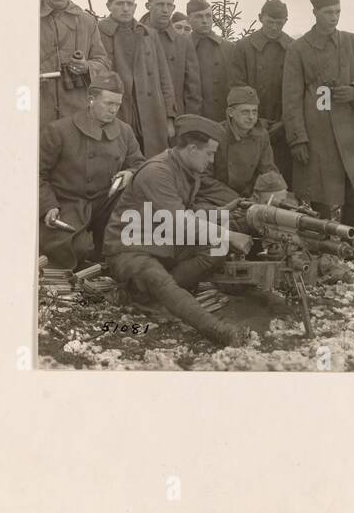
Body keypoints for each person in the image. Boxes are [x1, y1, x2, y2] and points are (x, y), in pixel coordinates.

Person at [103, 115, 252, 345]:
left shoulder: (186, 168)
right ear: (192, 149)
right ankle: (218, 331)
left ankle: (146, 297)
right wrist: (229, 234)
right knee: (159, 280)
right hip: (130, 249)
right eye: (209, 153)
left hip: (162, 241)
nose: (211, 160)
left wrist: (222, 213)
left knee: (217, 247)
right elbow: (180, 221)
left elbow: (183, 213)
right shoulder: (158, 171)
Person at [281, 0, 354, 275]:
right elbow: (291, 98)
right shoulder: (299, 49)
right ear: (315, 13)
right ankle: (326, 255)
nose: (334, 18)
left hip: (353, 132)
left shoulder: (352, 42)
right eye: (328, 12)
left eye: (337, 12)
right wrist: (298, 138)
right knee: (322, 194)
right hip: (318, 134)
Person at [39, 72, 143, 269]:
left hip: (106, 202)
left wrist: (130, 173)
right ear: (91, 100)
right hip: (69, 203)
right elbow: (37, 174)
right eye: (108, 103)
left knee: (130, 235)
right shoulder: (59, 130)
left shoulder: (125, 131)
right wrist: (48, 206)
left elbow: (139, 164)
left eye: (118, 105)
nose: (114, 110)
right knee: (74, 249)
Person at [97, 0, 176, 156]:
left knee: (153, 160)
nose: (125, 8)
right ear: (109, 6)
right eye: (119, 3)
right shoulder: (99, 32)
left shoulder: (149, 34)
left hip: (150, 110)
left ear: (135, 6)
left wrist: (169, 118)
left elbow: (164, 78)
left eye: (129, 3)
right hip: (119, 109)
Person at [229, 0, 294, 184]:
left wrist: (284, 122)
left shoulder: (293, 48)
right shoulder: (243, 47)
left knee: (281, 178)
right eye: (270, 22)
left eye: (279, 23)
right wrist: (255, 119)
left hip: (284, 125)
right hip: (250, 123)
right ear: (260, 18)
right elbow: (236, 85)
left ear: (286, 21)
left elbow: (298, 91)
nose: (274, 27)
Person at [39, 0, 111, 124]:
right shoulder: (26, 18)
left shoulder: (87, 21)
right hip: (38, 109)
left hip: (75, 111)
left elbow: (103, 62)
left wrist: (86, 67)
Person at [144, 0, 201, 115]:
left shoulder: (183, 42)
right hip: (143, 116)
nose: (165, 10)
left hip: (174, 116)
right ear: (148, 6)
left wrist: (189, 122)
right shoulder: (137, 36)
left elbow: (193, 89)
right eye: (160, 4)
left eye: (169, 5)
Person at [212, 85, 277, 196]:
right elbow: (204, 178)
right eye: (245, 112)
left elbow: (268, 170)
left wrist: (276, 188)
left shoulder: (262, 135)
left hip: (249, 195)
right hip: (218, 195)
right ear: (230, 112)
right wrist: (233, 198)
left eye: (254, 112)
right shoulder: (216, 134)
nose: (251, 117)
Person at [188, 0, 229, 121]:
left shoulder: (228, 47)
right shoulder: (182, 46)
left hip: (222, 118)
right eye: (199, 16)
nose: (205, 20)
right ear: (188, 19)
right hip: (192, 117)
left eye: (208, 16)